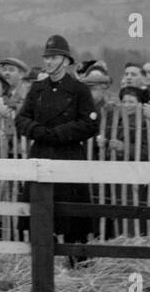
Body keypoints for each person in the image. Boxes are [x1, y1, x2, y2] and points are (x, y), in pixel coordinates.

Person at [14, 34, 100, 266]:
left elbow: (91, 124)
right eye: (47, 58)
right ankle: (41, 265)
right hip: (41, 154)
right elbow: (21, 119)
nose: (49, 62)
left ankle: (77, 262)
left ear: (66, 60)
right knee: (40, 213)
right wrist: (38, 131)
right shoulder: (38, 89)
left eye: (54, 58)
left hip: (68, 156)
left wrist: (61, 133)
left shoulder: (79, 90)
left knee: (73, 215)